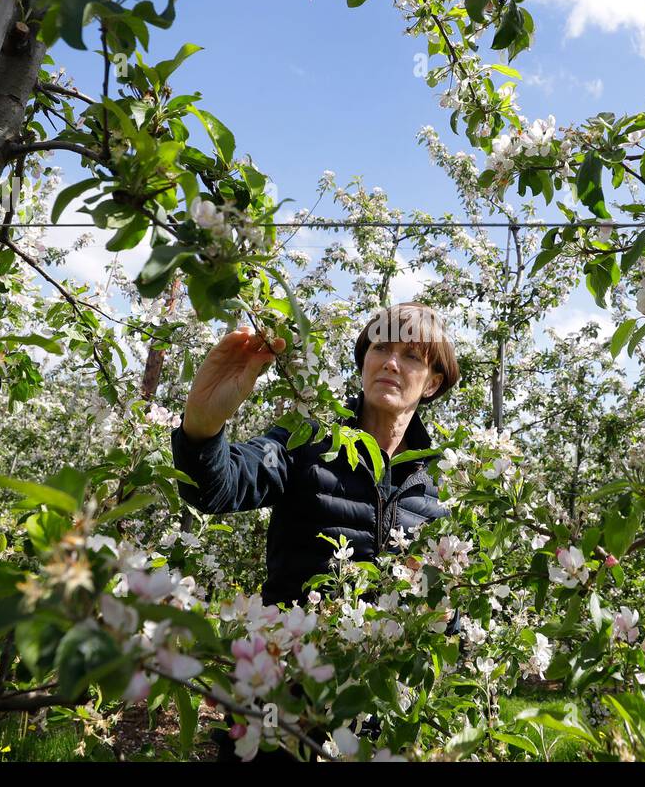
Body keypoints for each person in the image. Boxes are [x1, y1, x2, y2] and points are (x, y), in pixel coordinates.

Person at [170, 302, 461, 761]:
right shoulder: (307, 439)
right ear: (363, 360)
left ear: (433, 383)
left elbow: (448, 613)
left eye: (411, 355)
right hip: (281, 693)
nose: (390, 362)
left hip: (374, 711)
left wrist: (446, 619)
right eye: (381, 347)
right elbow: (218, 489)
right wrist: (202, 428)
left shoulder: (436, 487)